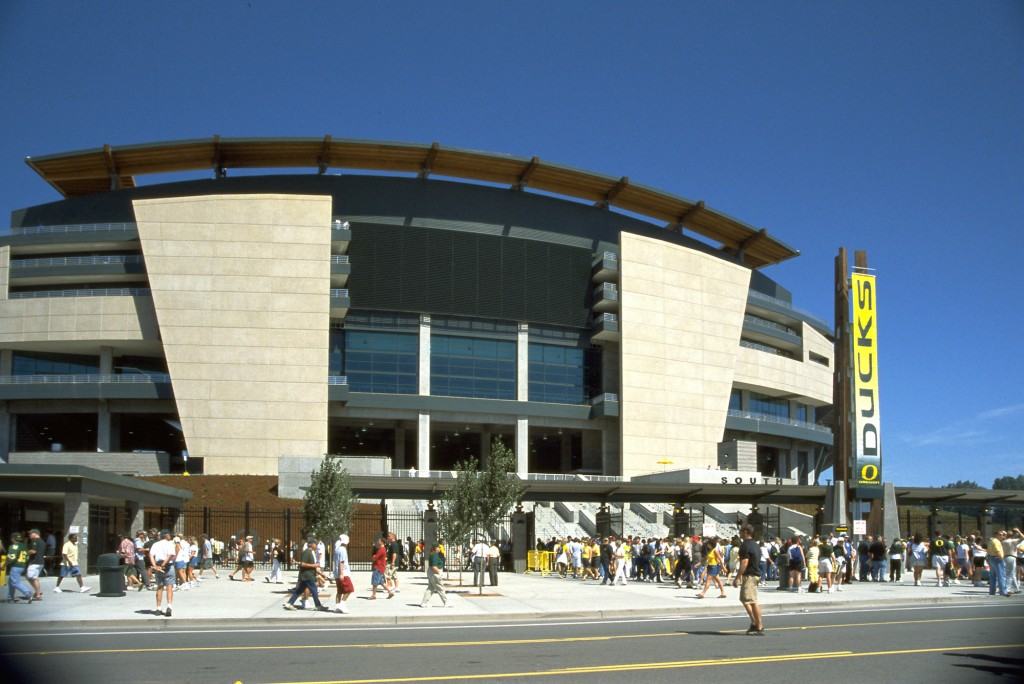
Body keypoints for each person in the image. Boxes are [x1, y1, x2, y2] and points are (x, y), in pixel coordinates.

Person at [734, 524, 765, 635]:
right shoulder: (755, 545)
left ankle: (758, 625)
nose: (740, 533)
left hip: (750, 576)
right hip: (754, 575)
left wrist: (737, 577)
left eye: (741, 531)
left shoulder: (745, 545)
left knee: (751, 601)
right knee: (745, 599)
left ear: (746, 532)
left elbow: (744, 562)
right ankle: (754, 622)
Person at [283, 537, 329, 611]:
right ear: (311, 544)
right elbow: (302, 564)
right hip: (307, 576)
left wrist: (321, 573)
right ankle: (318, 606)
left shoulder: (311, 552)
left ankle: (289, 603)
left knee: (299, 591)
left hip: (308, 575)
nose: (316, 546)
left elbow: (311, 566)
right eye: (315, 544)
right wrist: (313, 565)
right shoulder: (307, 552)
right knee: (314, 591)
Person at [149, 529, 177, 617]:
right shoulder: (170, 544)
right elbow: (171, 555)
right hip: (168, 566)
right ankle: (169, 606)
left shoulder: (155, 544)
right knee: (169, 587)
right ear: (167, 535)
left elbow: (151, 555)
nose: (170, 536)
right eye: (169, 535)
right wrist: (164, 564)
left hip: (158, 566)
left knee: (159, 587)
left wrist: (155, 566)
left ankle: (158, 608)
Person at [6, 532, 34, 603]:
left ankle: (28, 593)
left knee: (15, 582)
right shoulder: (24, 546)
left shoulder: (14, 546)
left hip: (15, 566)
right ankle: (10, 597)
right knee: (10, 582)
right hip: (22, 566)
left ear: (12, 539)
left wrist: (4, 565)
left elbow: (11, 558)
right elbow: (27, 557)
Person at [420, 542, 449, 608]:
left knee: (430, 588)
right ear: (435, 548)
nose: (439, 549)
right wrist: (439, 573)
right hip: (435, 573)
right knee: (440, 588)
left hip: (432, 573)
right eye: (438, 547)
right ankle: (446, 602)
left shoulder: (433, 554)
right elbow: (434, 567)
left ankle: (424, 603)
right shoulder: (435, 555)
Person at [333, 534, 354, 613]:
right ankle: (342, 604)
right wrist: (341, 573)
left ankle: (337, 607)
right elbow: (341, 562)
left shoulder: (337, 549)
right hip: (343, 573)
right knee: (349, 589)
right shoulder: (342, 550)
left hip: (337, 573)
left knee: (340, 591)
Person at [987, 530, 1010, 597]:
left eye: (1003, 534)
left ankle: (992, 592)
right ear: (996, 535)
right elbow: (998, 551)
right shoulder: (996, 541)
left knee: (992, 576)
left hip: (991, 558)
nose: (1002, 536)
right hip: (997, 559)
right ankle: (1003, 592)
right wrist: (1001, 558)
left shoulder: (991, 540)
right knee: (1001, 576)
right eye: (1001, 534)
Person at [26, 529, 46, 601]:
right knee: (35, 578)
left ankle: (38, 594)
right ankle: (38, 592)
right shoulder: (42, 541)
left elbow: (33, 551)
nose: (29, 536)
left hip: (34, 562)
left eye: (30, 534)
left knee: (29, 577)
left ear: (35, 534)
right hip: (40, 562)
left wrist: (26, 552)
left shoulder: (35, 541)